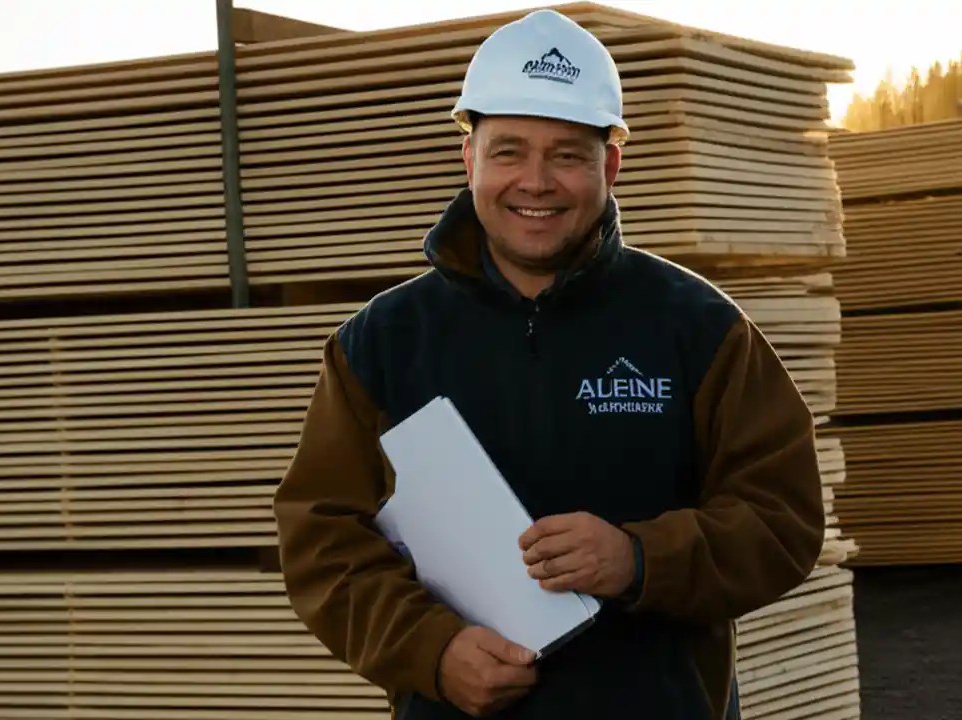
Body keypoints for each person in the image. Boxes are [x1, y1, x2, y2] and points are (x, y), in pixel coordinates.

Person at [273, 9, 825, 720]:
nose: (536, 182)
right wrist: (430, 650)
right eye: (509, 151)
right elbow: (321, 540)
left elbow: (783, 518)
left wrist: (640, 557)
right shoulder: (380, 343)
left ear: (611, 164)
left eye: (567, 154)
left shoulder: (700, 328)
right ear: (468, 156)